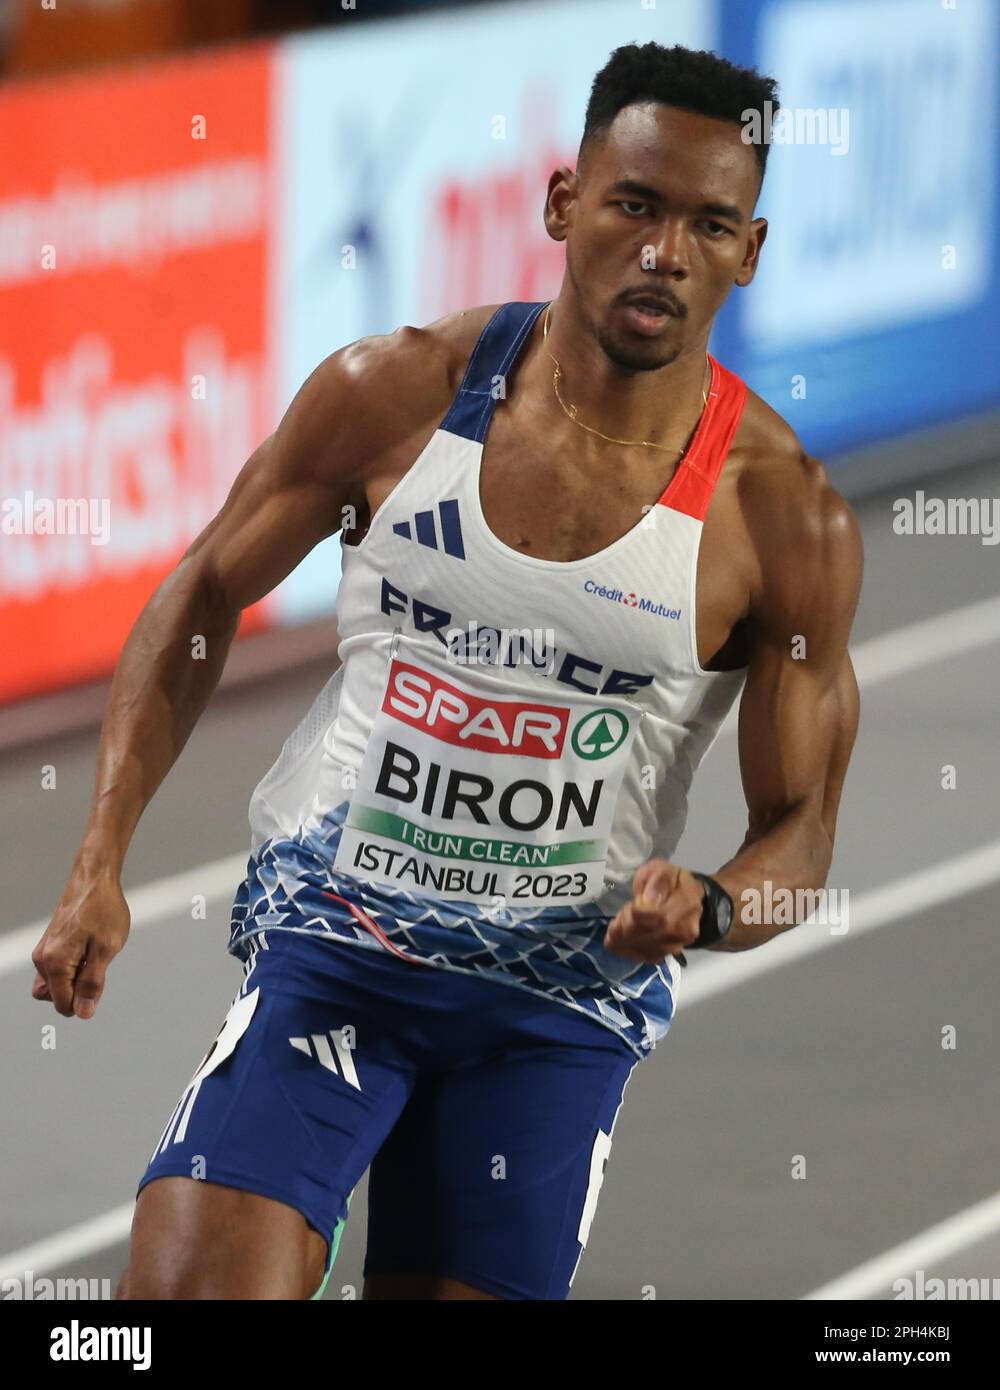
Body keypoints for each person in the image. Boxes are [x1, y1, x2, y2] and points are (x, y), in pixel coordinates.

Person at [32, 42, 862, 1301]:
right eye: (634, 204)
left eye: (706, 224)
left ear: (747, 251)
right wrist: (100, 859)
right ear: (562, 203)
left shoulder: (783, 518)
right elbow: (203, 590)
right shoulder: (396, 393)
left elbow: (802, 840)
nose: (663, 252)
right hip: (337, 947)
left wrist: (710, 905)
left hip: (550, 1011)